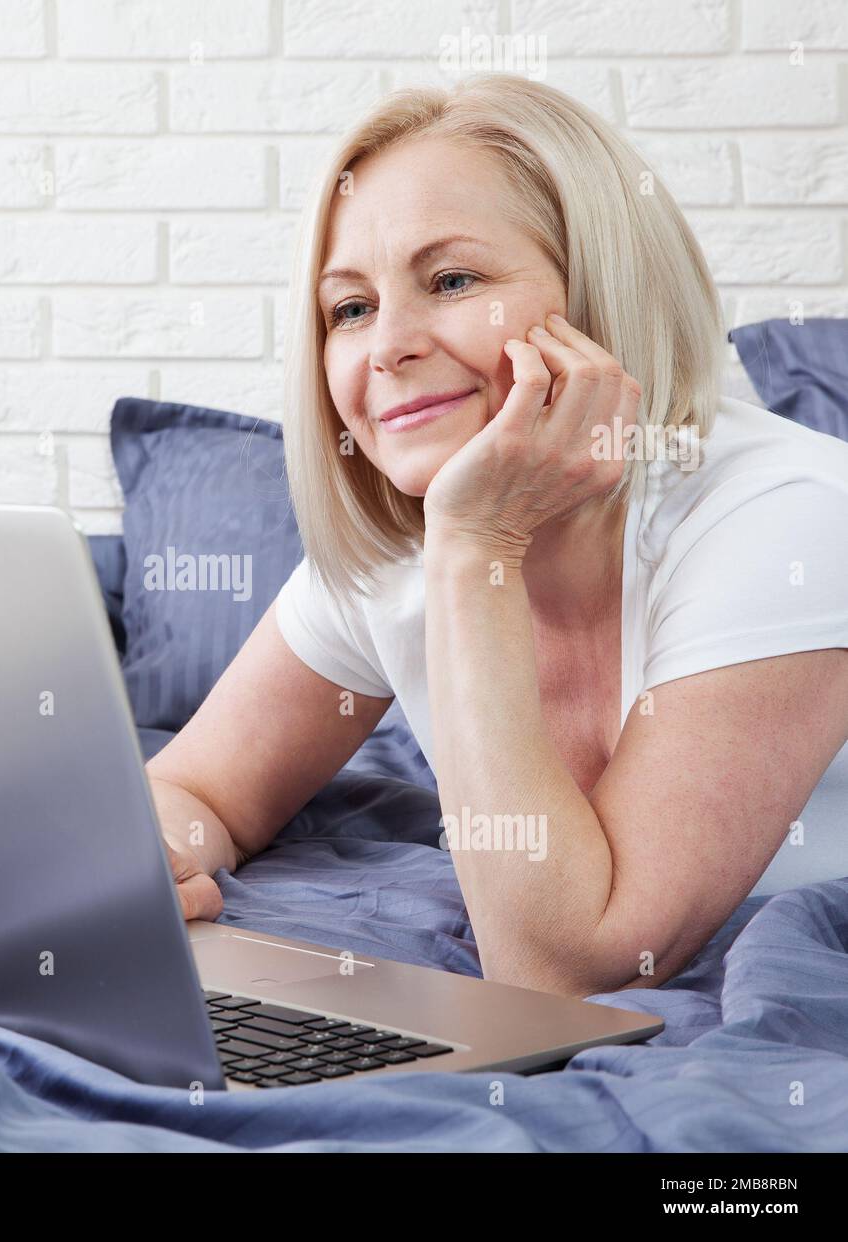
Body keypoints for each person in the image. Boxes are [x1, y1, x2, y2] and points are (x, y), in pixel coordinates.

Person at [145, 75, 848, 997]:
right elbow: (200, 789)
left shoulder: (791, 519)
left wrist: (478, 546)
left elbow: (562, 967)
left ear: (600, 294)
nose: (387, 343)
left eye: (452, 281)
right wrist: (151, 861)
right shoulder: (404, 544)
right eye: (349, 308)